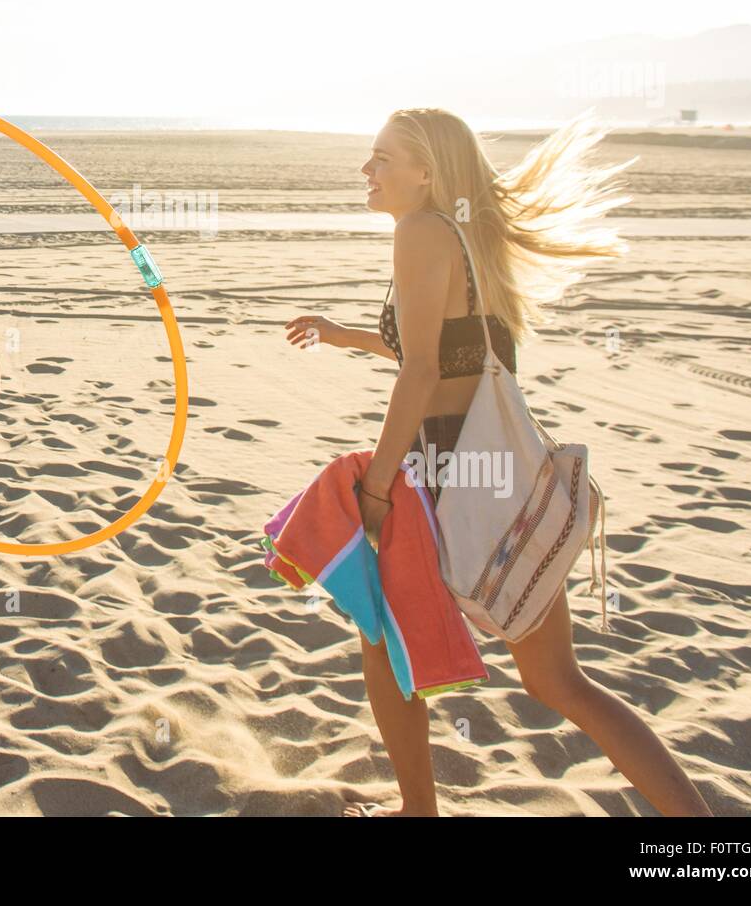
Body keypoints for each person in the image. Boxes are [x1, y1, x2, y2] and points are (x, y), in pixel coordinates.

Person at [285, 108, 711, 817]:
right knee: (559, 683)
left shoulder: (420, 232)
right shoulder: (461, 234)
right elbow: (449, 350)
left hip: (450, 479)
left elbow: (421, 373)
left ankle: (419, 812)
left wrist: (380, 489)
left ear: (426, 172)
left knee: (385, 641)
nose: (368, 170)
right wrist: (342, 335)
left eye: (382, 158)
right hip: (506, 481)